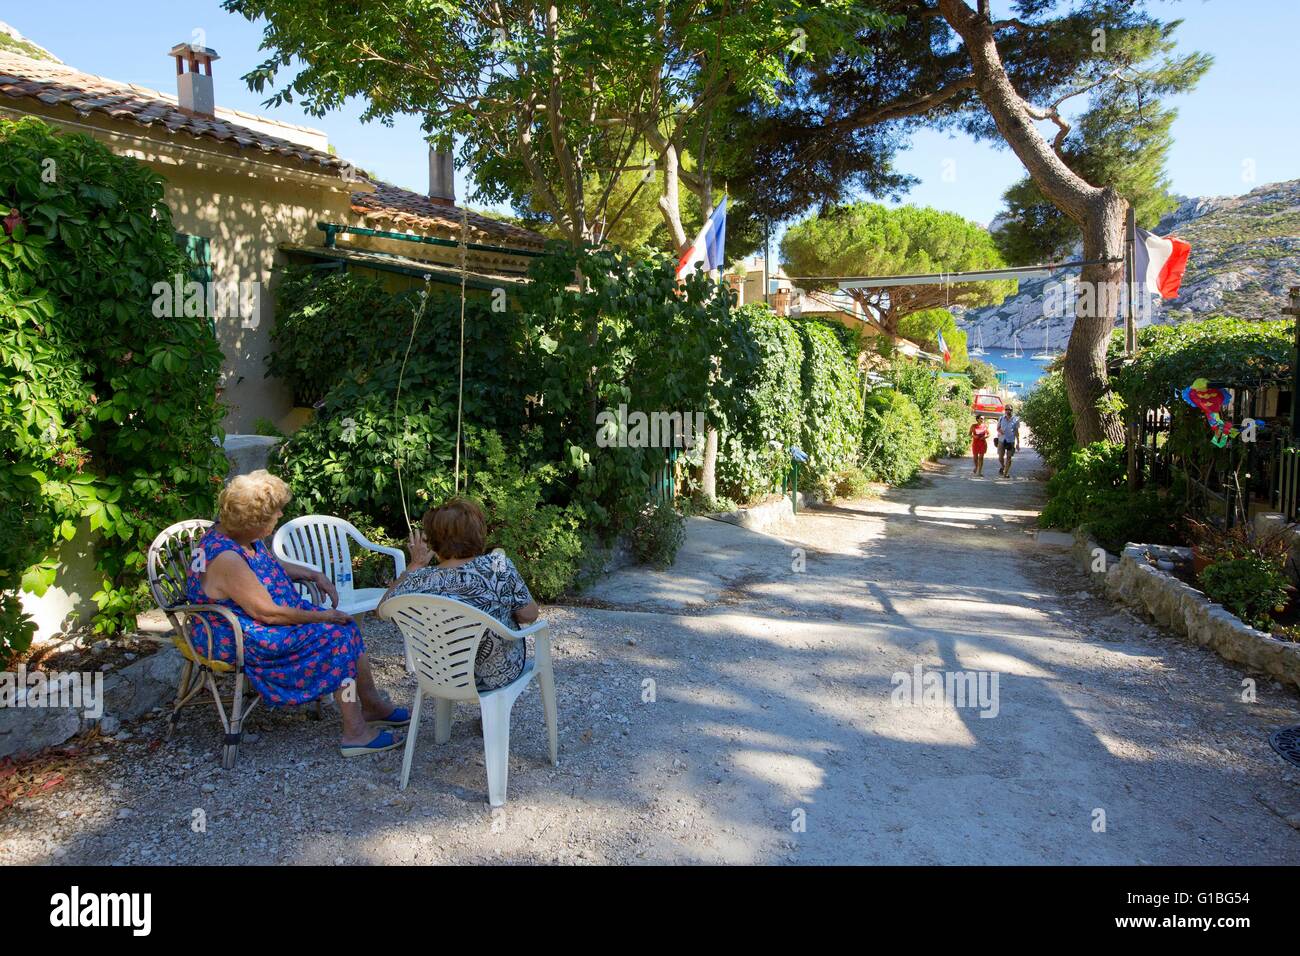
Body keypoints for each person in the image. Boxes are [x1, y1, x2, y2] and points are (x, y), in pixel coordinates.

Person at [185, 470, 408, 757]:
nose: (279, 516)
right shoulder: (226, 558)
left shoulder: (238, 535)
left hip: (257, 622)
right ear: (252, 521)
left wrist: (312, 573)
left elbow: (265, 566)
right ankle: (355, 732)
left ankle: (371, 704)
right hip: (237, 635)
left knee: (346, 628)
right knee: (336, 635)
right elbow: (268, 613)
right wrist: (323, 617)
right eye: (273, 514)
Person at [381, 497, 539, 691]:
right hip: (494, 676)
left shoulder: (419, 579)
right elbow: (529, 615)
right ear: (479, 533)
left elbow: (383, 609)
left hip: (440, 676)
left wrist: (415, 565)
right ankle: (492, 717)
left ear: (432, 542)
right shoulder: (498, 566)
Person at [996, 405, 1021, 477]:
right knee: (1000, 457)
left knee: (1009, 458)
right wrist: (1000, 431)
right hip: (1001, 440)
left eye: (1009, 409)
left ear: (1012, 410)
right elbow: (997, 428)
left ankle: (1005, 473)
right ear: (1005, 410)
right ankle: (1003, 466)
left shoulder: (1015, 420)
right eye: (1006, 409)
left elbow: (1016, 431)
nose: (1008, 411)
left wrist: (1018, 443)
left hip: (1011, 441)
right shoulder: (1001, 418)